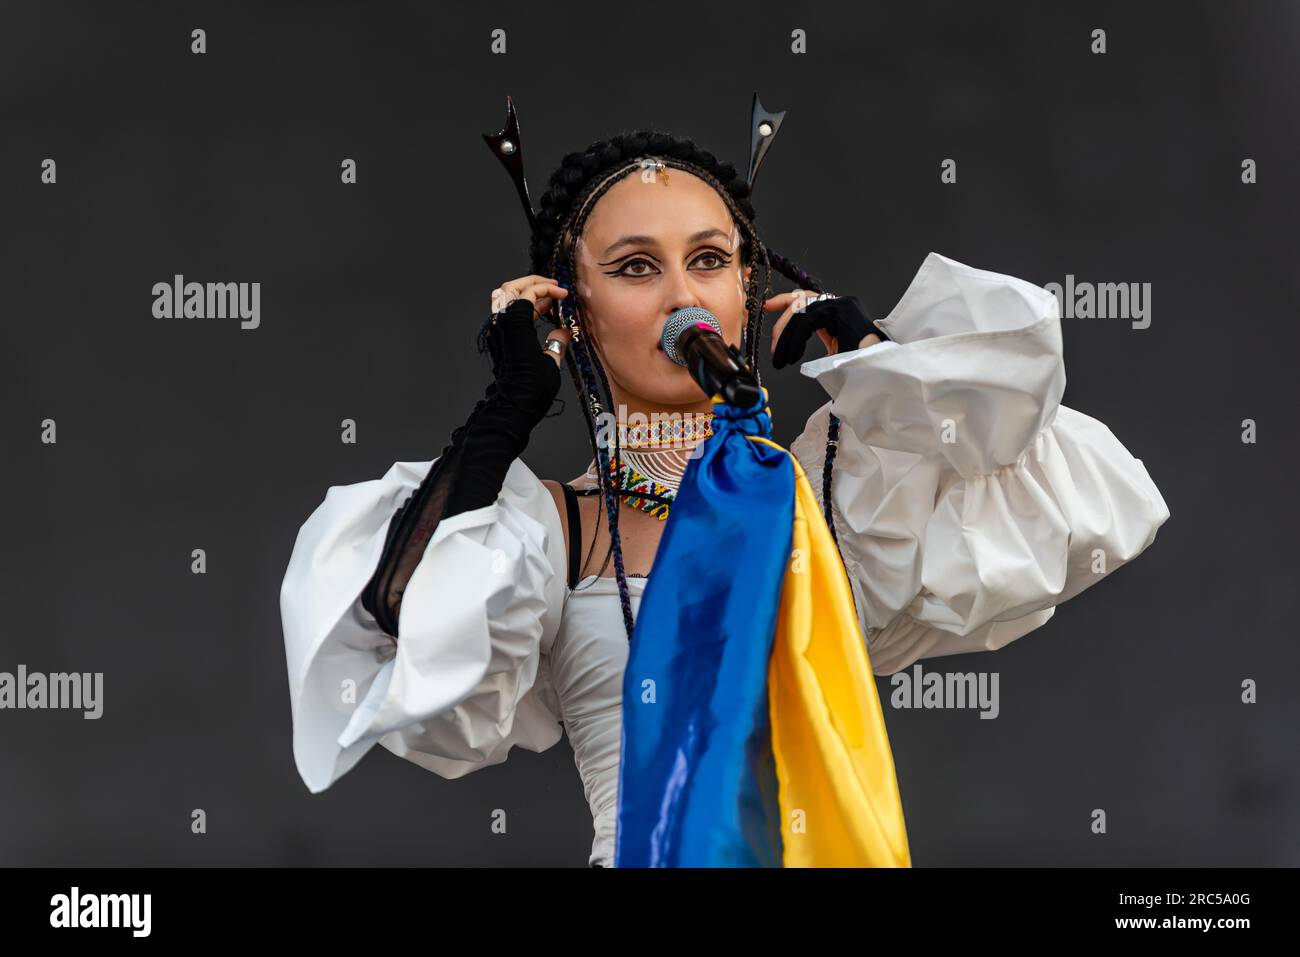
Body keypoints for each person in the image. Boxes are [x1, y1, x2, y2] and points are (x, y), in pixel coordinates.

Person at [278, 123, 1170, 868]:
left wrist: (883, 362)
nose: (681, 293)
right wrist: (507, 407)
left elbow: (1090, 496)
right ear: (571, 306)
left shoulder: (828, 497)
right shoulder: (555, 528)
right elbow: (394, 623)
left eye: (708, 259)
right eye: (634, 266)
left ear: (745, 290)